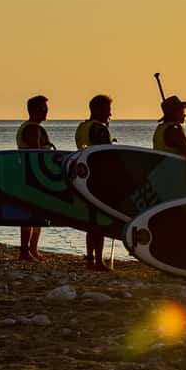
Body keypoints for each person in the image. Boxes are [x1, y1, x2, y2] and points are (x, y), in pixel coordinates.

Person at [75, 94, 114, 271]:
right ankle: (98, 260)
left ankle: (91, 258)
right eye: (107, 109)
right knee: (99, 221)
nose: (110, 113)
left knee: (91, 221)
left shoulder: (82, 127)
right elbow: (106, 154)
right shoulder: (98, 129)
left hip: (83, 178)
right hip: (99, 178)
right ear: (97, 109)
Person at [15, 95, 54, 261]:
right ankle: (25, 251)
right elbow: (36, 152)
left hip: (33, 175)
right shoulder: (32, 129)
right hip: (32, 176)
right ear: (32, 110)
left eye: (46, 108)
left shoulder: (33, 127)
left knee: (37, 214)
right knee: (29, 214)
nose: (46, 112)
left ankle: (33, 249)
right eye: (42, 109)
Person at [152, 95, 186, 194]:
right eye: (181, 111)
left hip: (163, 179)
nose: (184, 114)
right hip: (175, 179)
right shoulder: (175, 130)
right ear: (173, 113)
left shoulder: (159, 129)